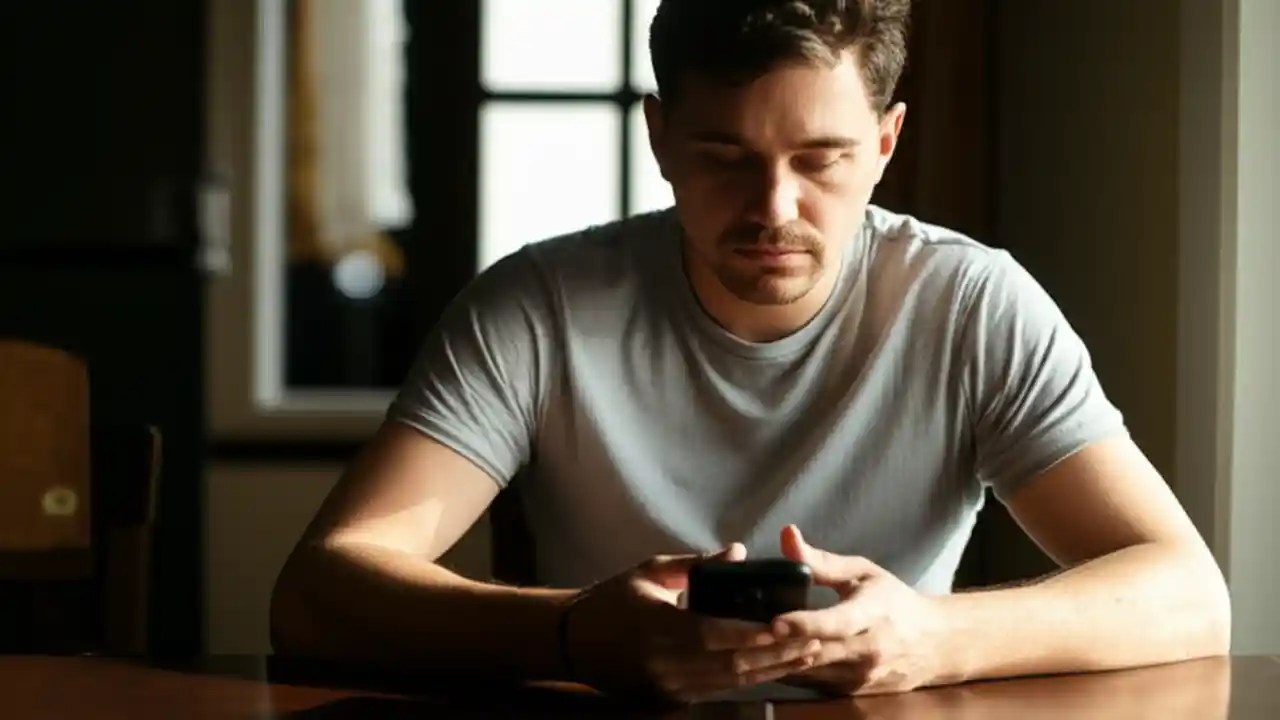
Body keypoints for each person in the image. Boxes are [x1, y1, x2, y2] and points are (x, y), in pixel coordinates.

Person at [270, 0, 1230, 702]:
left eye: (821, 159)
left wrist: (929, 637)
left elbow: (1189, 596)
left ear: (887, 141)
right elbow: (319, 590)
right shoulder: (542, 305)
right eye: (726, 157)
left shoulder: (971, 305)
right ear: (660, 137)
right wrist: (567, 634)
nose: (774, 208)